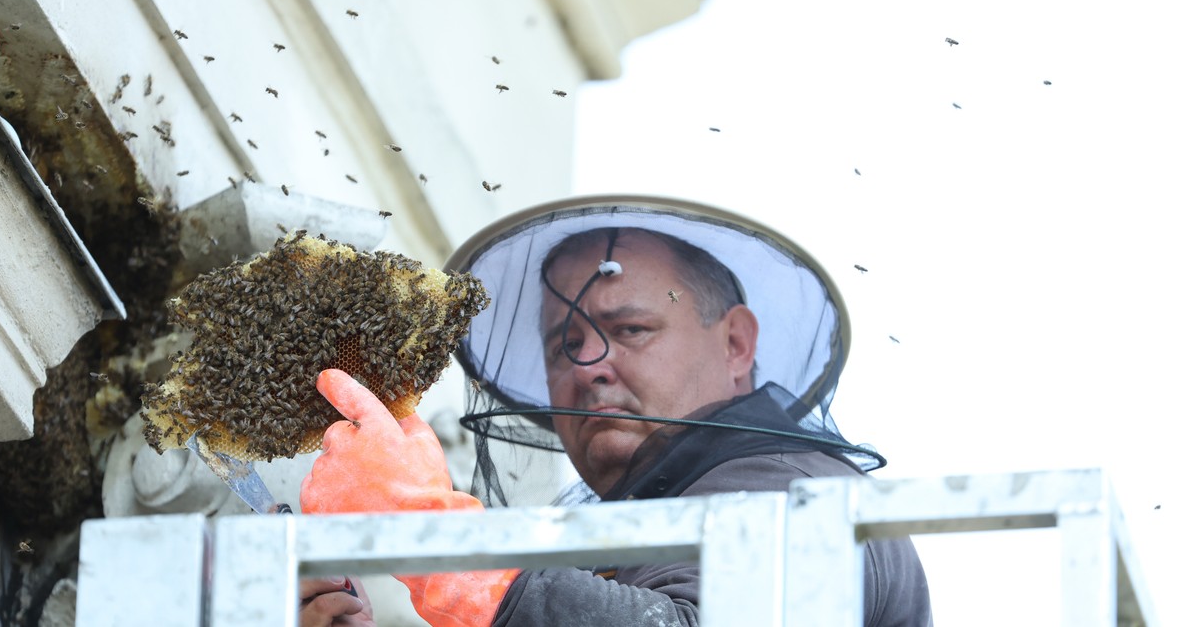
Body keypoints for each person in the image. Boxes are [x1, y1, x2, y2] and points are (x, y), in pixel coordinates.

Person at [299, 195, 933, 626]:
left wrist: (431, 537)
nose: (587, 366)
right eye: (564, 345)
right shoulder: (623, 543)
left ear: (736, 343)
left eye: (629, 329)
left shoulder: (798, 490)